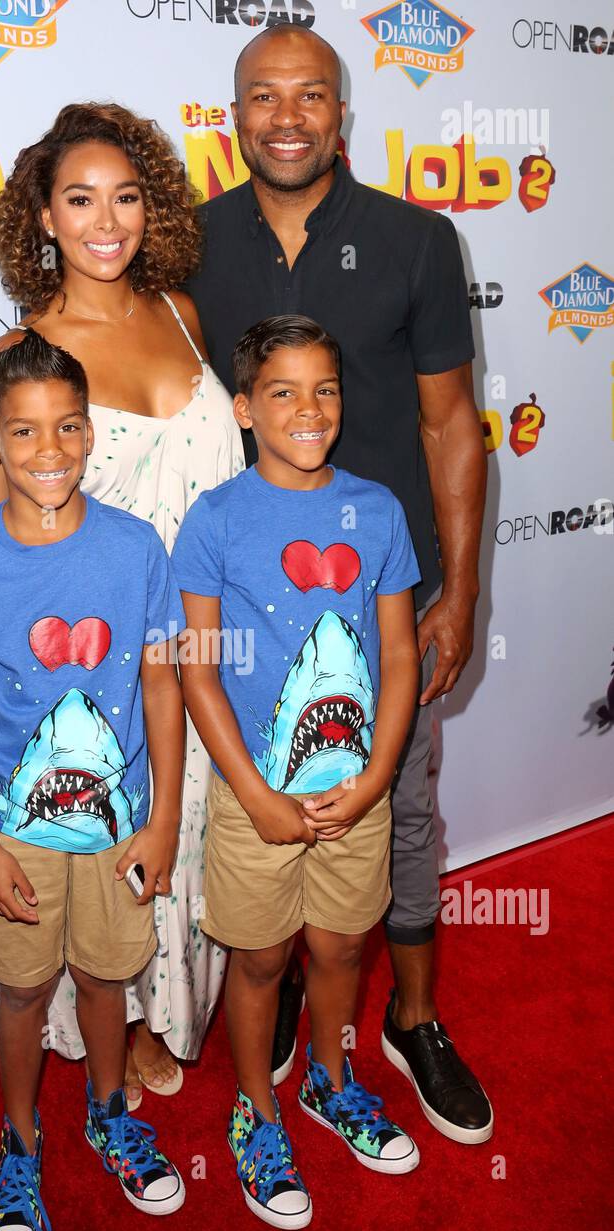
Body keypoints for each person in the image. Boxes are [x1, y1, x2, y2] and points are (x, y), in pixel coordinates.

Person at [183, 26, 492, 1141]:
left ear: (342, 113)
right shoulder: (189, 241)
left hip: (391, 600)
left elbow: (452, 425)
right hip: (255, 605)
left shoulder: (416, 238)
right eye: (262, 97)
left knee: (399, 815)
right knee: (258, 816)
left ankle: (409, 1021)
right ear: (235, 116)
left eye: (310, 95)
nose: (287, 117)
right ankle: (274, 1023)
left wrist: (462, 590)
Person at [0, 103, 244, 1107]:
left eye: (127, 196)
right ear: (42, 218)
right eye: (80, 199)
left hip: (212, 646)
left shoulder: (183, 311)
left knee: (187, 843)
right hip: (104, 667)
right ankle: (122, 1024)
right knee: (114, 841)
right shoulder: (21, 363)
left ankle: (168, 1011)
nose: (108, 221)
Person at [0, 330, 188, 1231]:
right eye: (25, 432)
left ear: (90, 434)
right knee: (26, 988)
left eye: (67, 427)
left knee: (108, 977)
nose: (48, 451)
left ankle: (109, 1114)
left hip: (120, 825)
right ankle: (21, 1142)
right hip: (15, 828)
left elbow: (163, 682)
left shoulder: (136, 547)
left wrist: (161, 815)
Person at [173, 315, 422, 1229]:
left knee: (344, 945)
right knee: (262, 957)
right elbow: (196, 669)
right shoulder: (215, 520)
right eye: (282, 392)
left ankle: (329, 1079)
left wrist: (378, 774)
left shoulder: (380, 510)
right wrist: (256, 794)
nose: (308, 409)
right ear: (244, 408)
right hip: (257, 801)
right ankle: (258, 1108)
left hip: (360, 790)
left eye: (325, 389)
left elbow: (399, 656)